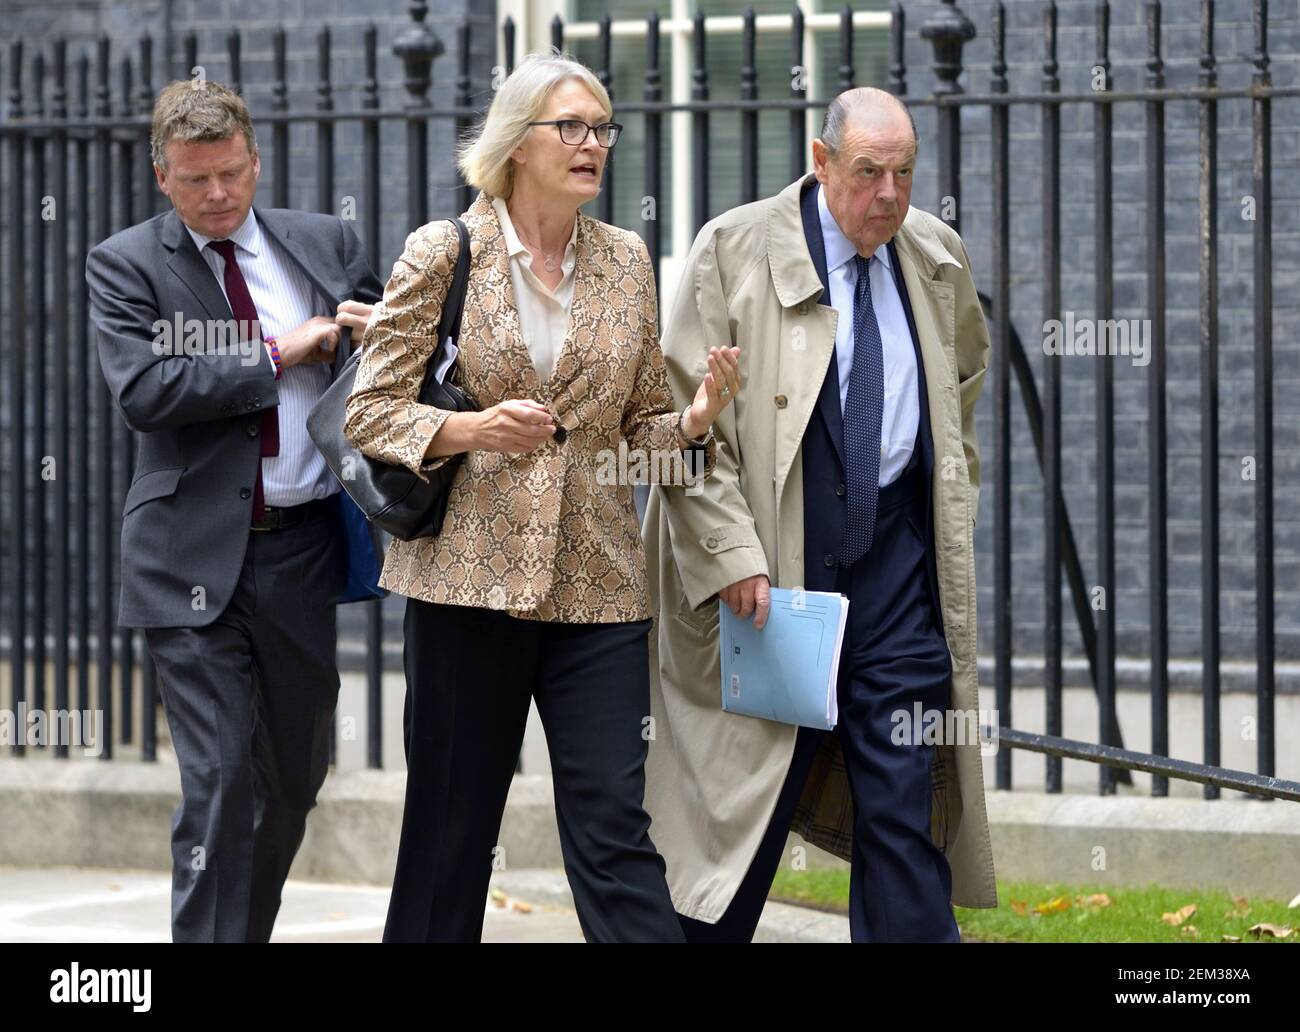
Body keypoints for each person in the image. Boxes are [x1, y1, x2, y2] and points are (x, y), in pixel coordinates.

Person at [343, 51, 741, 943]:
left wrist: (695, 421)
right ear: (518, 142)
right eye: (572, 126)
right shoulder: (445, 250)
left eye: (603, 127)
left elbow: (637, 434)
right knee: (451, 835)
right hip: (465, 590)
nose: (593, 143)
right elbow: (368, 412)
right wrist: (469, 432)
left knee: (611, 828)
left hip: (597, 590)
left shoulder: (628, 261)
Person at [642, 86, 997, 942]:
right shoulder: (733, 249)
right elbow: (683, 422)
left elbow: (963, 392)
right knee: (741, 828)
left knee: (903, 822)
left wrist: (945, 501)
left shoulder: (935, 257)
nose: (888, 193)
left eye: (904, 173)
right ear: (821, 160)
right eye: (868, 172)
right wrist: (730, 555)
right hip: (771, 584)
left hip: (895, 585)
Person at [88, 79, 383, 942]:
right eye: (194, 181)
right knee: (220, 783)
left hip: (301, 552)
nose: (216, 196)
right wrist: (280, 349)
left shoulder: (323, 242)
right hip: (189, 559)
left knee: (293, 778)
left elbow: (384, 369)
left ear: (256, 162)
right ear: (161, 177)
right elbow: (146, 389)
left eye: (229, 175)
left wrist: (373, 336)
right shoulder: (127, 263)